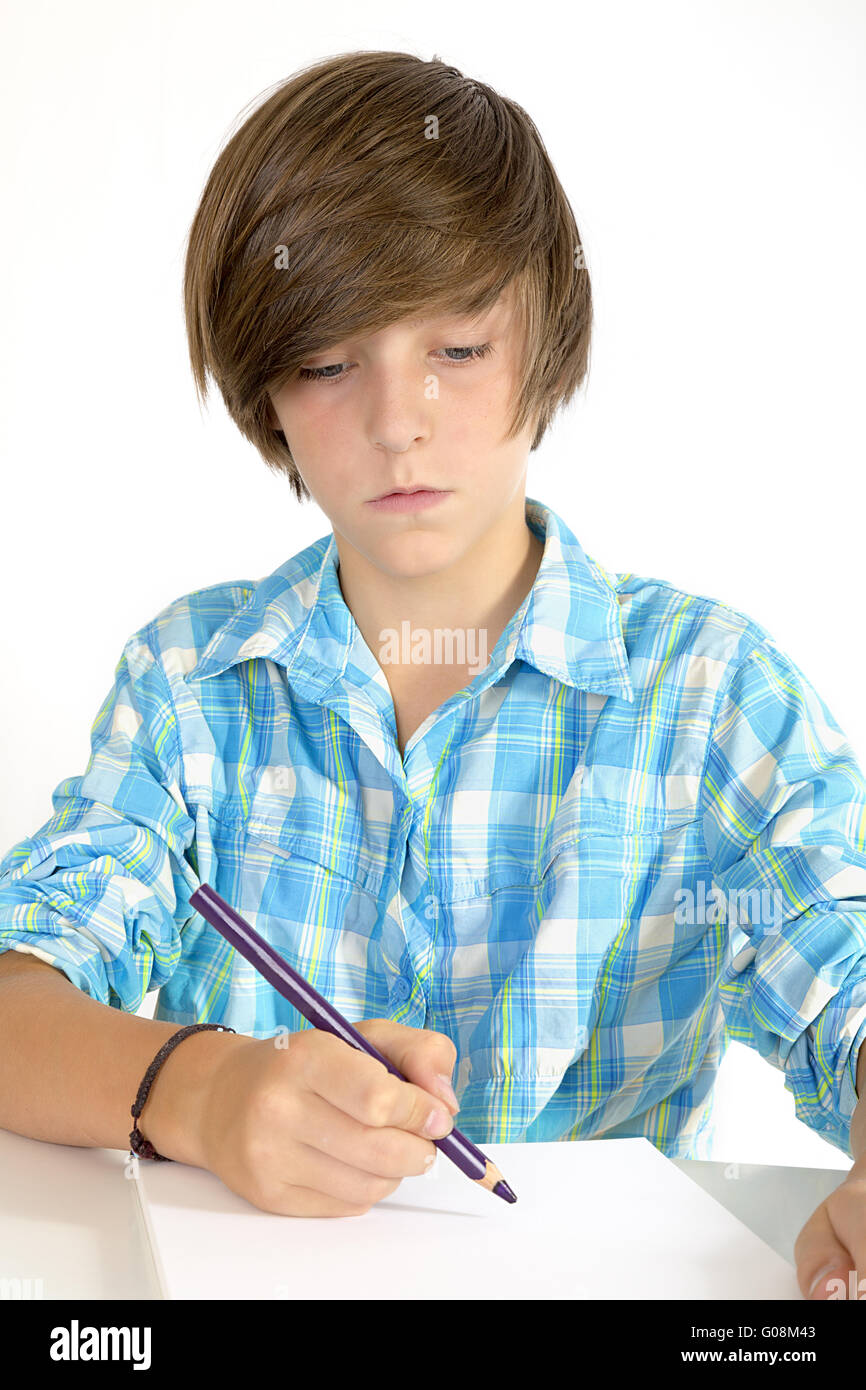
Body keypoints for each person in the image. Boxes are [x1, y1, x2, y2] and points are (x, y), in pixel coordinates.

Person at [1, 50, 865, 1298]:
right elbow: (21, 991)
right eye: (327, 361)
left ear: (546, 344)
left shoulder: (708, 692)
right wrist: (201, 1088)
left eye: (457, 347)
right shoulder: (192, 684)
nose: (399, 419)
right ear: (267, 396)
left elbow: (840, 964)